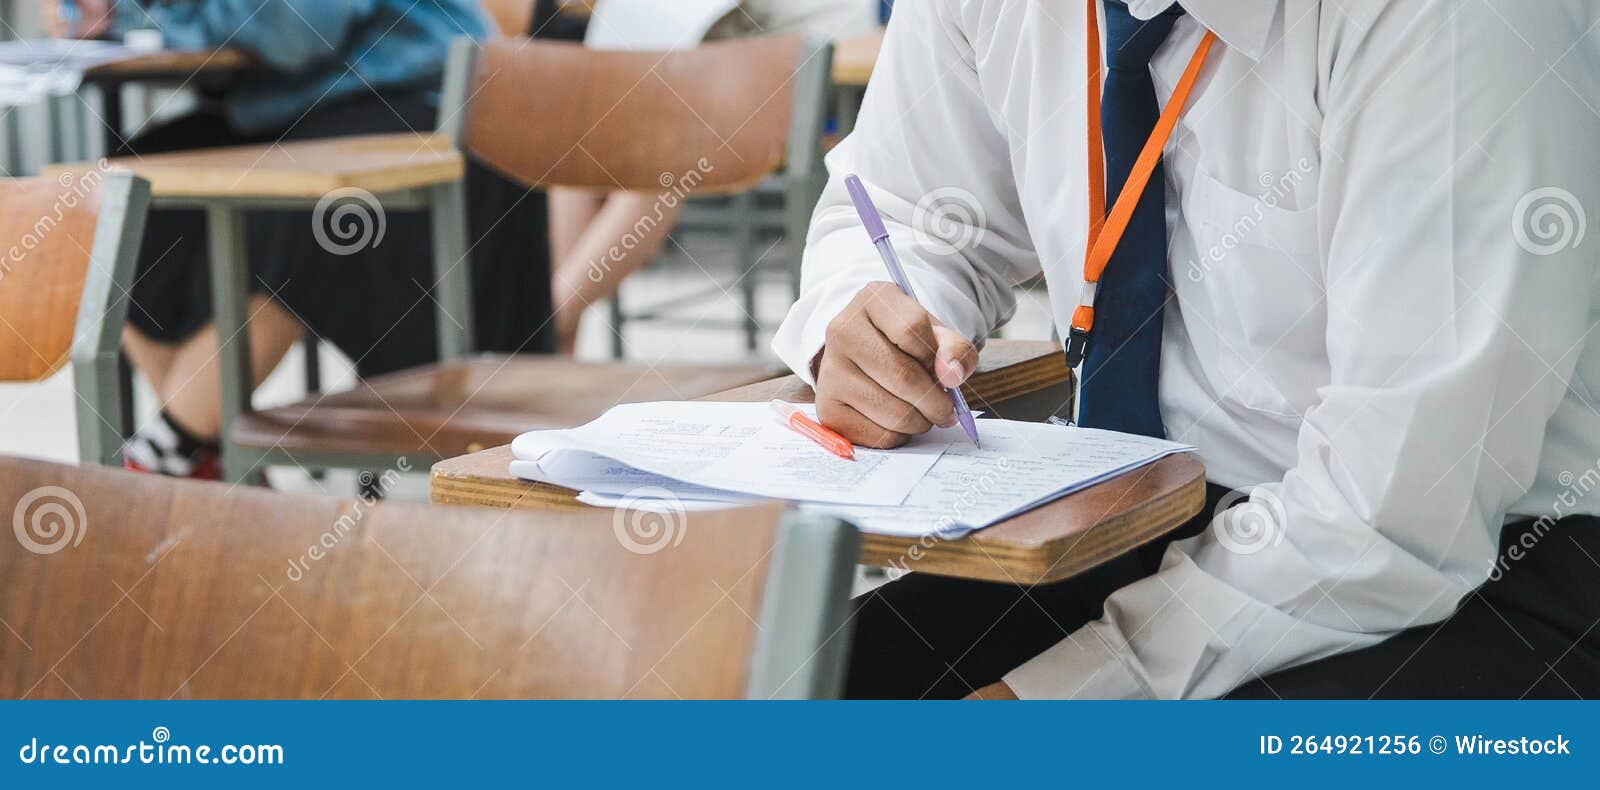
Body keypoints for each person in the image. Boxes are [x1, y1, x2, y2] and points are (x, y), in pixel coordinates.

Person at [775, 0, 1600, 698]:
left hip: (1485, 562)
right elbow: (908, 209)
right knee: (794, 688)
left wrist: (1052, 700)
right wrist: (874, 325)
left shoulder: (1453, 22)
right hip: (1132, 513)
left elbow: (1401, 510)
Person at [53, 0, 556, 478]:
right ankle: (202, 450)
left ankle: (179, 447)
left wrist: (174, 16)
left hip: (432, 113)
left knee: (297, 216)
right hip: (301, 111)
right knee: (113, 195)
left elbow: (292, 30)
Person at [547, 0, 878, 354]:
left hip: (774, 84)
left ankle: (549, 323)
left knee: (655, 171)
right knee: (579, 152)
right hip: (687, 73)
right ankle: (556, 334)